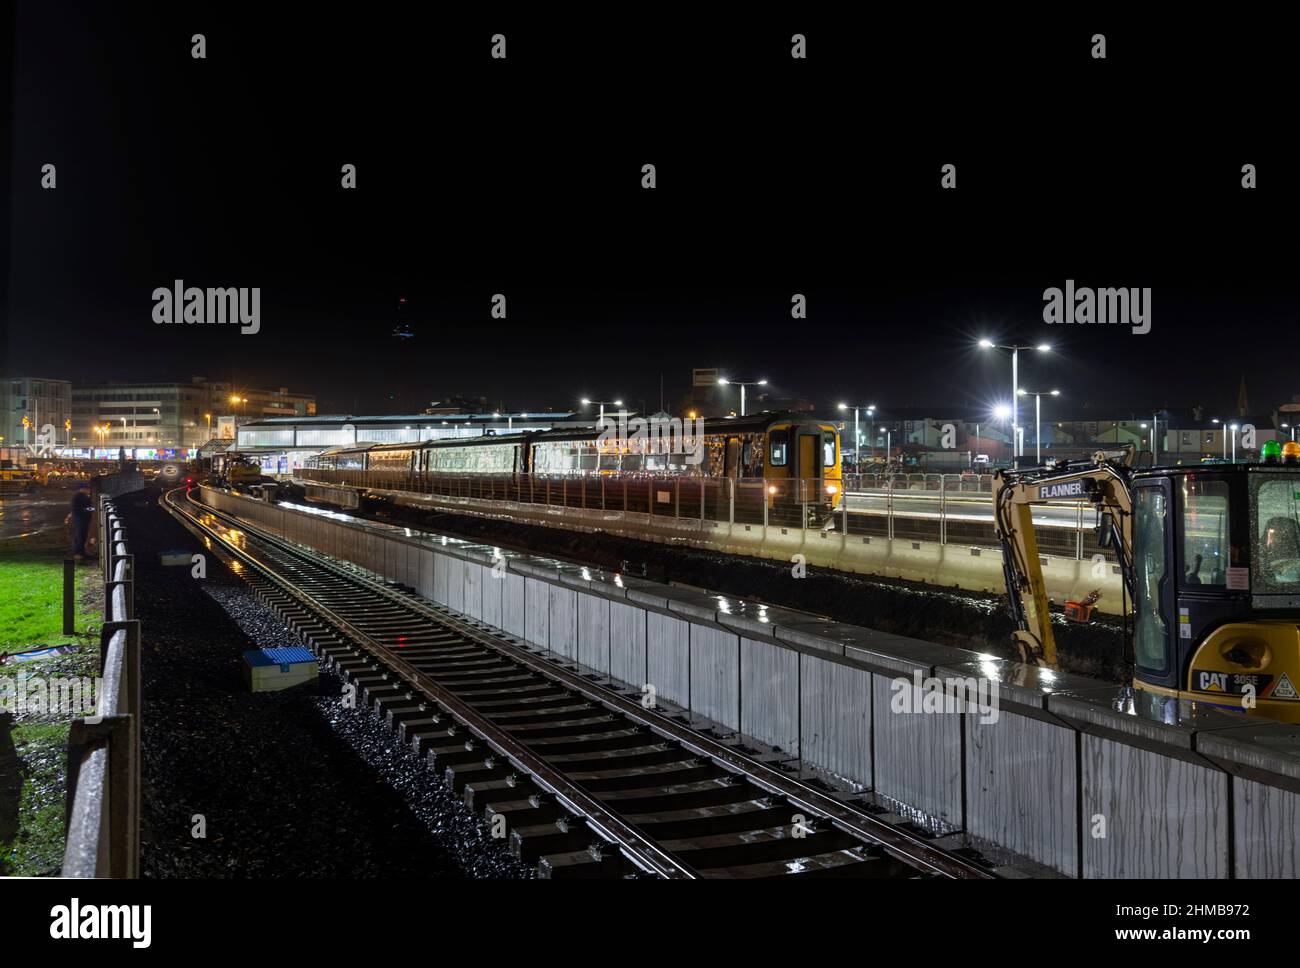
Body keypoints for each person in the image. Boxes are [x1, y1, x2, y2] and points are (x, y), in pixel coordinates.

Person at [68, 481, 95, 562]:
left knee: (81, 536)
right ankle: (78, 553)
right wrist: (94, 509)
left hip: (79, 519)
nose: (89, 490)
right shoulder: (81, 497)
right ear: (83, 489)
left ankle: (81, 553)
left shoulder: (78, 496)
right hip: (80, 519)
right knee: (80, 536)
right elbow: (84, 508)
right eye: (88, 489)